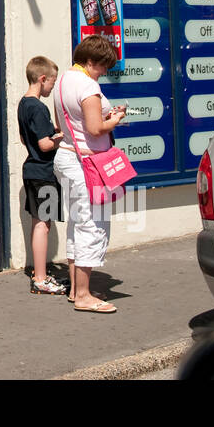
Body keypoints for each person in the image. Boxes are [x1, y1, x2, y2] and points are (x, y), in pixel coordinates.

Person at [54, 35, 127, 313]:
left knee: (77, 222)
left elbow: (67, 123)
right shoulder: (87, 85)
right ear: (90, 61)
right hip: (87, 163)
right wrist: (116, 119)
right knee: (92, 225)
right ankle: (83, 295)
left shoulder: (62, 80)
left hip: (67, 157)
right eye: (103, 66)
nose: (105, 71)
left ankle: (75, 289)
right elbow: (96, 129)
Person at [18, 56, 66, 295]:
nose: (53, 87)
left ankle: (39, 274)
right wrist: (62, 137)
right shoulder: (38, 107)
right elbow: (45, 145)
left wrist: (50, 132)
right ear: (42, 78)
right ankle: (40, 278)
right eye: (52, 82)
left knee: (39, 223)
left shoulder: (23, 104)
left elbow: (24, 138)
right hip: (43, 171)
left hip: (31, 170)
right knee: (43, 226)